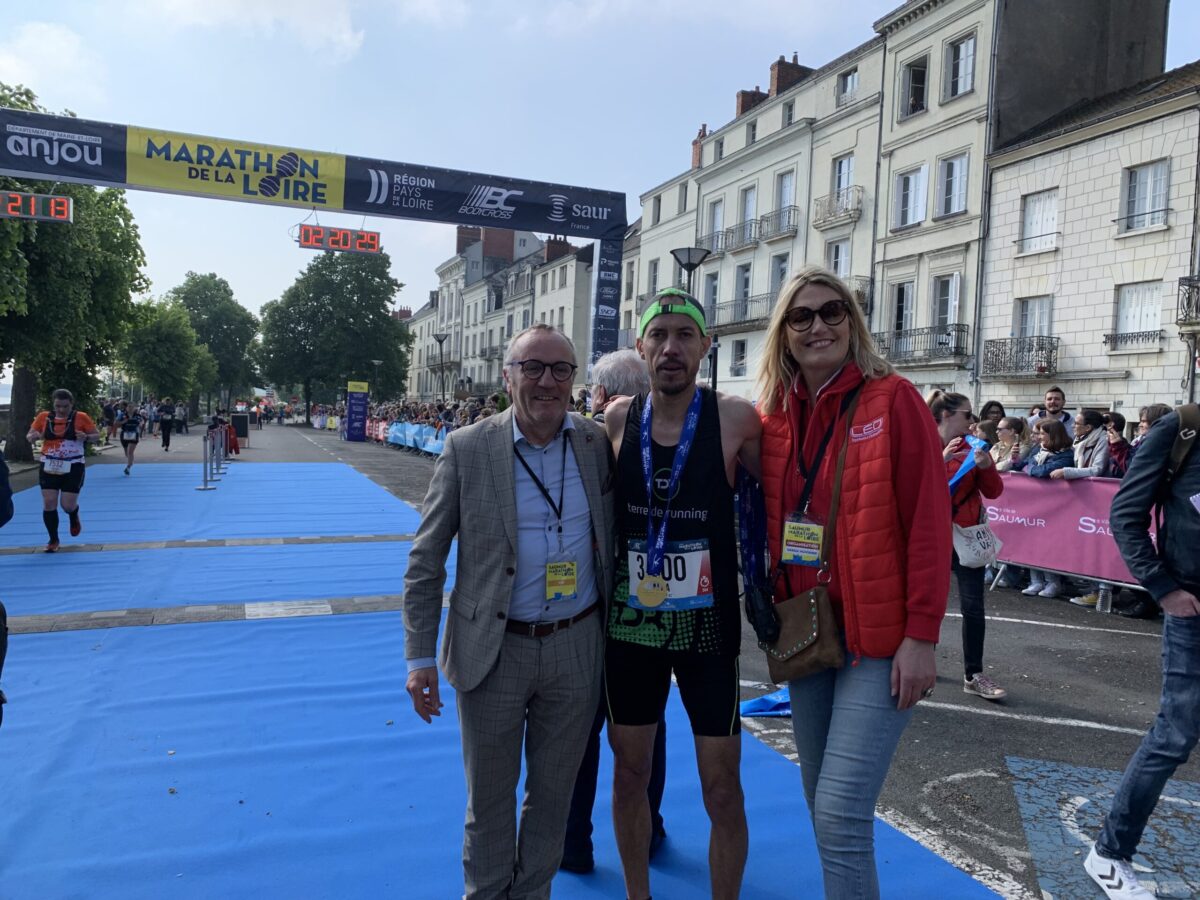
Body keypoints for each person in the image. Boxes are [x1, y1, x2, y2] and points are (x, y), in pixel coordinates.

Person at [403, 324, 616, 900]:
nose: (547, 381)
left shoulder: (596, 445)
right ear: (508, 376)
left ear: (575, 378)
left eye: (561, 369)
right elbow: (426, 560)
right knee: (490, 802)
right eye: (533, 368)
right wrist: (420, 655)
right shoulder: (467, 448)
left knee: (554, 798)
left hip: (576, 646)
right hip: (494, 650)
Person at [756, 267, 950, 899]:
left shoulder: (893, 399)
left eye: (833, 312)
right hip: (809, 632)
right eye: (802, 316)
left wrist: (922, 635)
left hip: (880, 640)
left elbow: (928, 520)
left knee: (839, 813)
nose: (819, 326)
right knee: (825, 810)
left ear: (853, 322)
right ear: (784, 334)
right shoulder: (775, 419)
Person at [602, 288, 761, 900]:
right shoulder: (618, 420)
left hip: (708, 635)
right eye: (659, 335)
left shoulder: (736, 419)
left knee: (723, 788)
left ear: (705, 346)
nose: (671, 347)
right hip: (631, 630)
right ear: (641, 347)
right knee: (629, 776)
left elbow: (798, 490)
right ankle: (637, 895)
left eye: (684, 336)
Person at [1084, 405, 1200, 900]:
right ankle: (1109, 853)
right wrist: (1162, 587)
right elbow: (1125, 514)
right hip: (1193, 608)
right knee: (1175, 736)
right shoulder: (1183, 429)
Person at [561, 348, 665, 876]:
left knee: (582, 727)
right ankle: (650, 831)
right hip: (653, 603)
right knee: (648, 728)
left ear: (599, 394)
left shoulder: (586, 439)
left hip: (591, 602)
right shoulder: (670, 433)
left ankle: (574, 839)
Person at [930, 390, 1007, 700]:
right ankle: (921, 660)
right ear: (947, 415)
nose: (973, 421)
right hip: (929, 535)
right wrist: (941, 459)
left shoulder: (974, 446)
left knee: (973, 607)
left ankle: (973, 674)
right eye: (967, 414)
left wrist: (986, 465)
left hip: (965, 534)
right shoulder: (923, 443)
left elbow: (995, 492)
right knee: (926, 602)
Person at [25, 389, 100, 553]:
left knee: (66, 505)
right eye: (57, 406)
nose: (61, 410)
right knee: (49, 502)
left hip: (73, 465)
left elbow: (96, 435)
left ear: (71, 404)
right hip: (49, 464)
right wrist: (34, 436)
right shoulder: (44, 417)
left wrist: (86, 437)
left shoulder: (81, 417)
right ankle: (53, 539)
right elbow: (30, 435)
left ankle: (73, 514)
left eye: (65, 406)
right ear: (53, 404)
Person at [1012, 420, 1074, 598]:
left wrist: (1027, 467)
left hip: (1054, 507)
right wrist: (1017, 460)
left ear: (1052, 435)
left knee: (1048, 543)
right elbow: (1020, 466)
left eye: (1041, 434)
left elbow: (1041, 471)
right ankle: (1036, 580)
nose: (1038, 437)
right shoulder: (1037, 450)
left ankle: (1053, 582)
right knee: (1031, 540)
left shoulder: (1066, 455)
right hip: (1033, 504)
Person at [119, 401, 143, 475]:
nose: (130, 408)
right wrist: (123, 421)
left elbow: (142, 421)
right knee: (127, 452)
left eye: (132, 407)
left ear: (134, 408)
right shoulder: (122, 415)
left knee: (130, 452)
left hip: (134, 434)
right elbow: (116, 423)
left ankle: (128, 467)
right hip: (124, 434)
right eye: (129, 407)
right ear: (126, 408)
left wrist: (141, 424)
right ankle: (130, 462)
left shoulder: (138, 415)